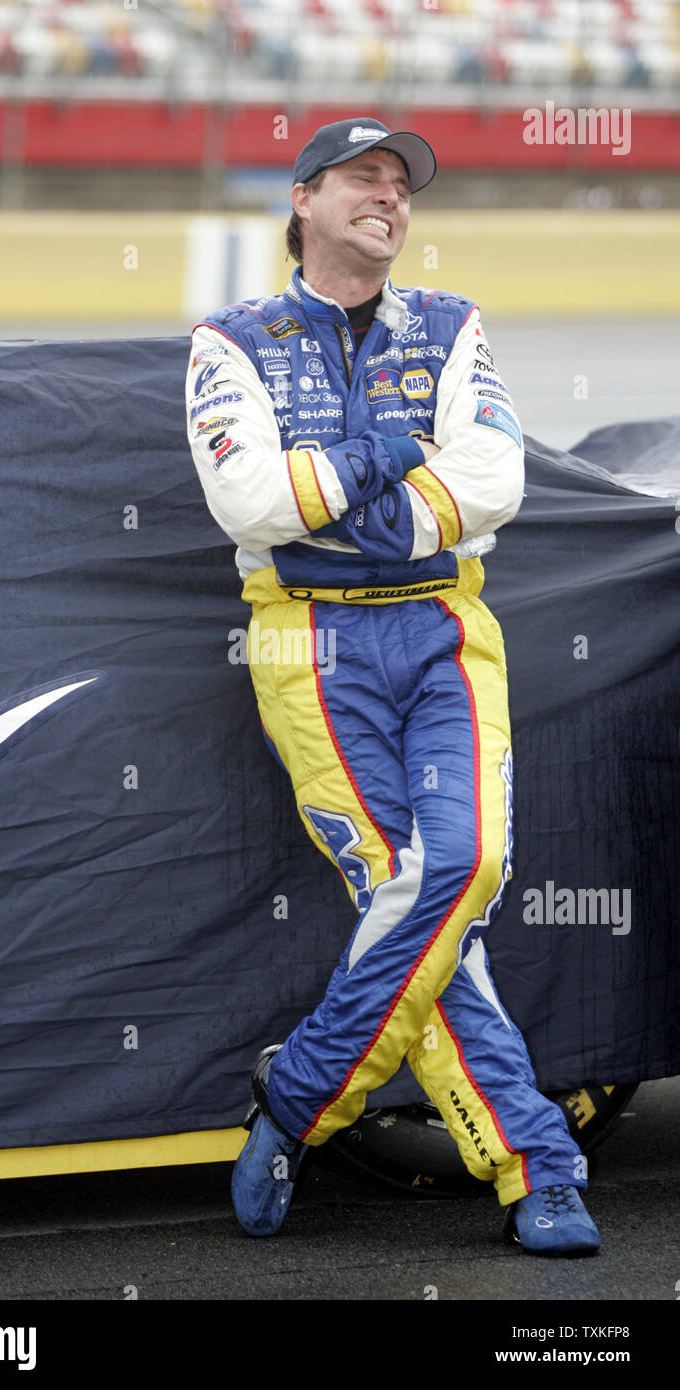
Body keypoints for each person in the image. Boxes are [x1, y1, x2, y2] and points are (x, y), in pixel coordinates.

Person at [185, 118, 600, 1256]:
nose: (390, 198)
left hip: (444, 628)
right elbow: (250, 508)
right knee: (408, 890)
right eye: (364, 180)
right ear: (305, 199)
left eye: (401, 186)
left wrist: (347, 511)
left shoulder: (451, 324)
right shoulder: (230, 340)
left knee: (463, 868)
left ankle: (300, 1094)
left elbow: (495, 479)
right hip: (306, 645)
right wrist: (388, 453)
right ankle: (539, 1167)